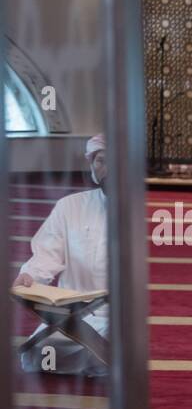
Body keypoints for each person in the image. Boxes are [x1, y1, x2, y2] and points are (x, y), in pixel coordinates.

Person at [12, 134, 109, 377]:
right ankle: (100, 364)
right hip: (71, 315)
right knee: (35, 357)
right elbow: (47, 253)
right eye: (100, 161)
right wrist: (30, 276)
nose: (107, 168)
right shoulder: (70, 206)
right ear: (91, 166)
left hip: (115, 319)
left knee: (118, 349)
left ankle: (104, 361)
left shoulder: (137, 209)